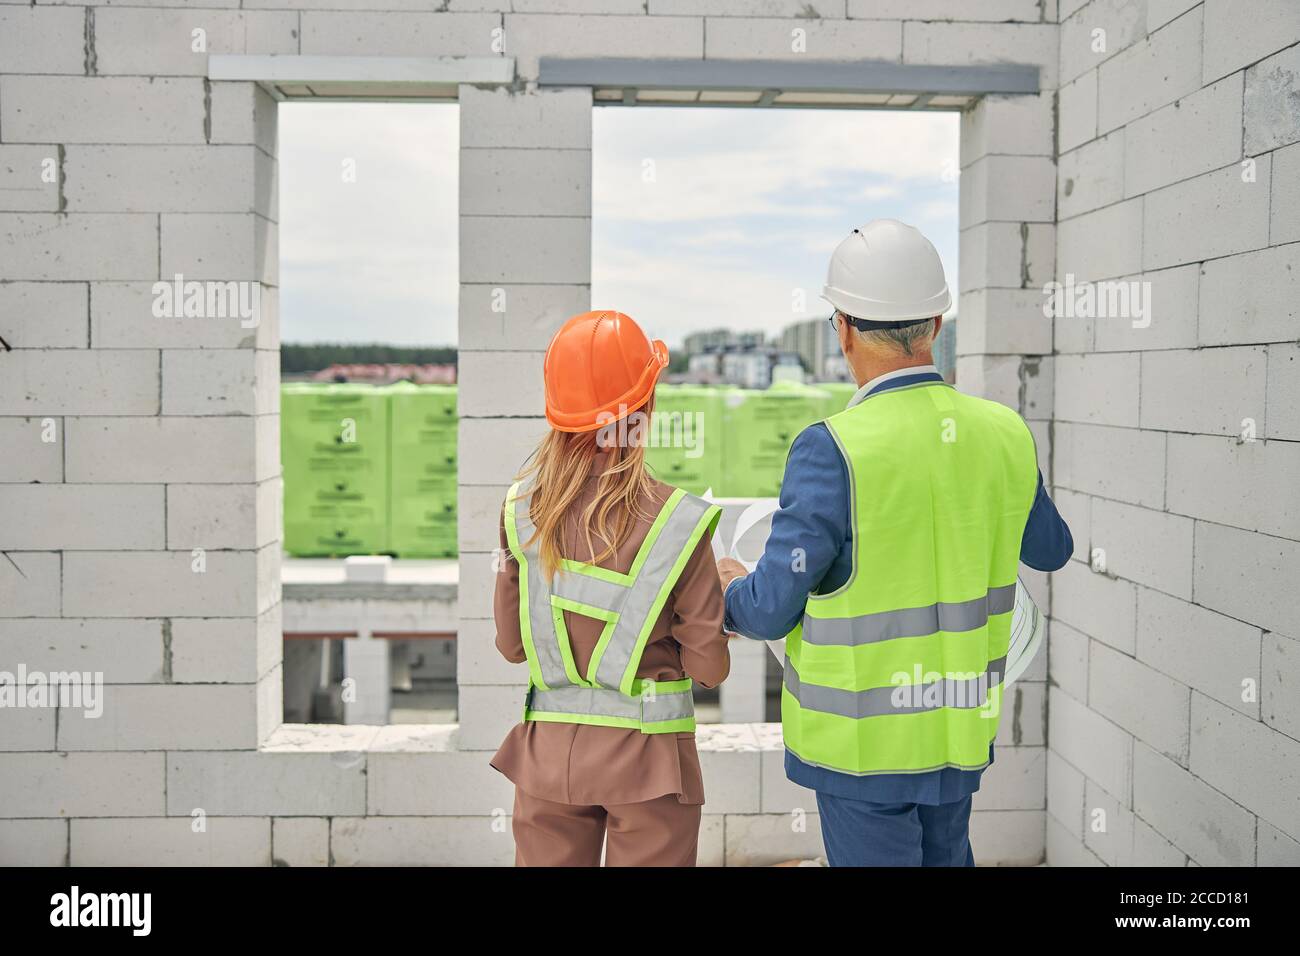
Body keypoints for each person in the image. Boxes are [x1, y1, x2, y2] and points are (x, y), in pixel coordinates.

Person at [718, 219, 1073, 867]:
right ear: (936, 325)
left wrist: (725, 592)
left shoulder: (831, 449)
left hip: (864, 752)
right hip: (959, 732)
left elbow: (768, 609)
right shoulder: (1005, 434)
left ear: (844, 330)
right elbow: (1051, 551)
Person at [491, 309, 729, 867]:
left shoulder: (520, 513)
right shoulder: (677, 523)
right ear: (643, 410)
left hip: (548, 761)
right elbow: (710, 669)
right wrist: (719, 590)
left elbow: (511, 644)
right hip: (651, 767)